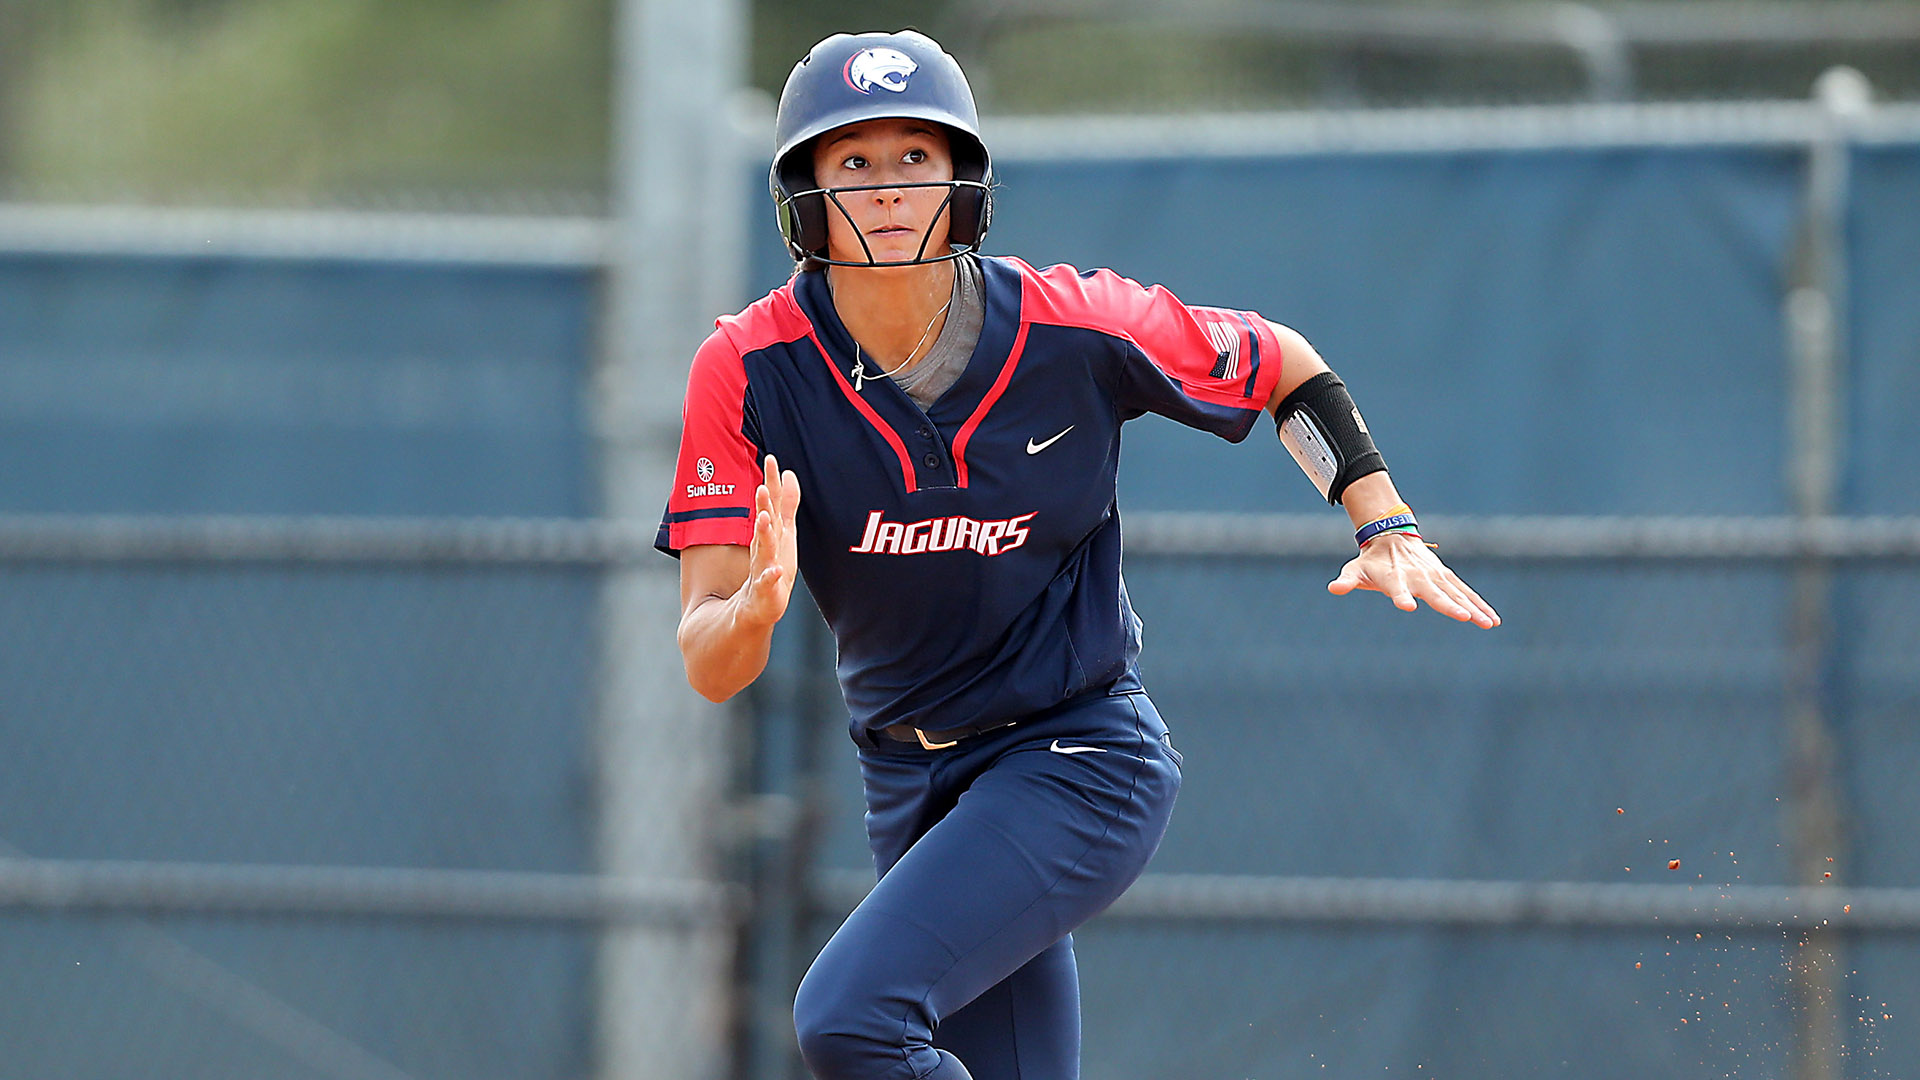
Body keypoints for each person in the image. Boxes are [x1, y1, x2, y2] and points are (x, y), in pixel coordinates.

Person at [657, 29, 1500, 1080]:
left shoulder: (1070, 324)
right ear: (807, 195)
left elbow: (1282, 364)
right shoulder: (746, 368)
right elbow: (708, 660)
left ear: (961, 178)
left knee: (849, 1018)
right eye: (853, 162)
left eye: (914, 157)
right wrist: (755, 608)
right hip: (909, 782)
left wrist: (1383, 520)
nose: (885, 189)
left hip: (1076, 756)